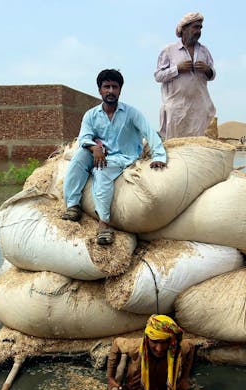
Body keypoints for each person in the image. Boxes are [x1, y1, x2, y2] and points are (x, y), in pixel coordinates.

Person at [61, 69, 167, 245]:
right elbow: (84, 137)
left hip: (123, 157)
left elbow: (150, 133)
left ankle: (104, 224)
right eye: (106, 87)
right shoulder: (91, 115)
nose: (110, 91)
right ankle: (73, 206)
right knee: (79, 157)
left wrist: (159, 157)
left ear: (120, 90)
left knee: (101, 171)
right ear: (100, 90)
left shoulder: (131, 113)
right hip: (98, 153)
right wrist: (94, 148)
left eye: (114, 87)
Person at [106, 314, 195, 390]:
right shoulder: (135, 347)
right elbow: (116, 343)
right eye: (155, 342)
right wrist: (110, 377)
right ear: (147, 339)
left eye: (164, 342)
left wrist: (184, 378)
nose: (159, 349)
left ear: (171, 341)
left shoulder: (177, 348)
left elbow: (191, 346)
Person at [154, 12, 216, 139]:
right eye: (195, 27)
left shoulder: (204, 51)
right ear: (184, 29)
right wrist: (177, 69)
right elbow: (158, 76)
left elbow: (212, 74)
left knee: (198, 145)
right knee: (175, 145)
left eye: (200, 28)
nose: (198, 31)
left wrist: (207, 70)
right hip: (177, 108)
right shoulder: (169, 51)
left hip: (200, 106)